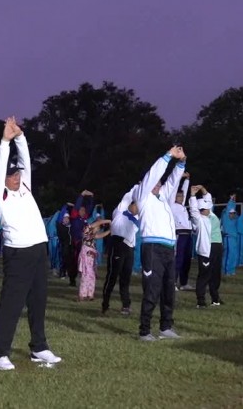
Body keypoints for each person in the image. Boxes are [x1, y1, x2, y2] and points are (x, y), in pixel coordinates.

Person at [0, 117, 61, 370]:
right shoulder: (1, 195)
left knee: (38, 300)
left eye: (17, 173)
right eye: (12, 175)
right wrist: (5, 142)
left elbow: (26, 160)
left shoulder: (26, 187)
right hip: (18, 252)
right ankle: (0, 353)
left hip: (39, 249)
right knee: (12, 302)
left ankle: (39, 348)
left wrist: (20, 137)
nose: (16, 177)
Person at [133, 145, 186, 341]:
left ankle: (165, 327)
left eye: (159, 182)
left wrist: (181, 162)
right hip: (153, 248)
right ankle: (145, 330)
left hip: (169, 248)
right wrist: (167, 156)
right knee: (152, 290)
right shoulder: (143, 196)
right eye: (154, 181)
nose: (158, 183)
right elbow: (154, 173)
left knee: (168, 289)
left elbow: (173, 180)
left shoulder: (163, 198)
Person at [101, 185, 139, 315]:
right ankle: (105, 304)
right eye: (135, 205)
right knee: (112, 276)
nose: (137, 208)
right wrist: (138, 185)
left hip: (129, 248)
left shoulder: (137, 218)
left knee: (125, 278)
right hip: (118, 244)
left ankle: (126, 305)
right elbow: (129, 195)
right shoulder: (120, 210)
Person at [189, 185, 223, 308]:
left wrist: (203, 188)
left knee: (216, 274)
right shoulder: (198, 219)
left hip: (217, 246)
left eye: (205, 208)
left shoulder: (212, 214)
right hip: (206, 249)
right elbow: (193, 210)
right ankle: (201, 300)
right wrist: (192, 195)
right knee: (204, 275)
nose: (204, 210)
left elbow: (207, 197)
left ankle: (215, 298)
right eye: (201, 208)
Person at [78, 219, 110, 301]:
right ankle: (82, 294)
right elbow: (98, 222)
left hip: (91, 257)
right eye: (98, 227)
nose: (98, 229)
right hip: (85, 256)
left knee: (91, 275)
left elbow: (101, 235)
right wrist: (109, 221)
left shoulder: (93, 235)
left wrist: (110, 230)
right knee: (85, 275)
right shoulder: (87, 229)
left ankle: (90, 294)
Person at [171, 175, 193, 290]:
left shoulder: (182, 205)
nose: (181, 197)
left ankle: (184, 283)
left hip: (188, 234)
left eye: (182, 196)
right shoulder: (171, 205)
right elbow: (174, 188)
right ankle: (173, 282)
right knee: (178, 258)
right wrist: (179, 177)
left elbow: (184, 191)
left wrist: (187, 180)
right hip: (179, 234)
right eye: (178, 196)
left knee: (187, 259)